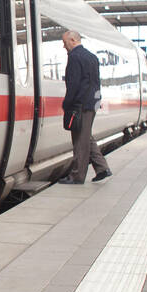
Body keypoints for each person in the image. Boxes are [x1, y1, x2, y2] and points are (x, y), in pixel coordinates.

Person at [57, 30, 111, 184]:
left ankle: (77, 176)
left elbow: (73, 84)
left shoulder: (74, 57)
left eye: (65, 42)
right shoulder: (92, 57)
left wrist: (67, 104)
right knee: (86, 136)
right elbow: (95, 83)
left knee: (80, 141)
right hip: (91, 103)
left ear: (72, 40)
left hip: (79, 105)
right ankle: (102, 168)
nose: (63, 46)